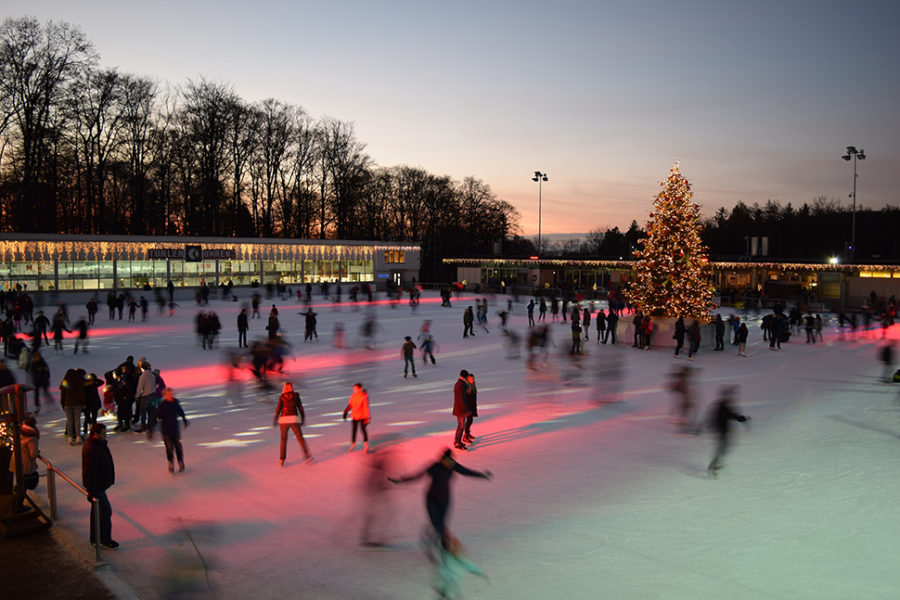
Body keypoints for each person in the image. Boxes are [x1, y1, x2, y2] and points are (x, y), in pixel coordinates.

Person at [388, 447, 491, 548]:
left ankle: (445, 542)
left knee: (441, 522)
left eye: (450, 460)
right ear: (441, 459)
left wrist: (482, 475)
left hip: (444, 498)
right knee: (435, 523)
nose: (448, 463)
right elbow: (417, 475)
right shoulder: (434, 467)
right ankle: (445, 540)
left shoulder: (452, 465)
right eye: (446, 460)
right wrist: (401, 480)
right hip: (431, 499)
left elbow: (466, 472)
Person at [82, 422, 118, 549]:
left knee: (98, 513)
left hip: (99, 486)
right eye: (103, 434)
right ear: (96, 434)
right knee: (105, 512)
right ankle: (104, 539)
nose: (105, 436)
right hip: (96, 488)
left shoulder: (98, 445)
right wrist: (91, 490)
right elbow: (89, 471)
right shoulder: (92, 449)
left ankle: (95, 538)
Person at [706, 386, 750, 477]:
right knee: (723, 447)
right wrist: (743, 419)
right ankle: (713, 465)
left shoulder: (720, 405)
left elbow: (730, 415)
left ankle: (716, 463)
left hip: (721, 430)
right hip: (722, 430)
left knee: (724, 447)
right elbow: (732, 415)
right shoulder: (724, 406)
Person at [147, 388, 188, 473]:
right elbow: (156, 417)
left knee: (178, 447)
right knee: (169, 448)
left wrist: (184, 419)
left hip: (174, 429)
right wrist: (151, 429)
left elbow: (180, 411)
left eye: (171, 394)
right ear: (165, 395)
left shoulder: (175, 403)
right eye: (168, 394)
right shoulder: (162, 405)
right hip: (166, 431)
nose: (170, 396)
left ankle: (180, 461)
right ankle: (171, 462)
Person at [273, 382, 312, 465]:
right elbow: (300, 408)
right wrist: (303, 418)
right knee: (300, 438)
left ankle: (281, 459)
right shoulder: (296, 396)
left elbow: (278, 410)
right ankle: (307, 456)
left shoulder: (282, 397)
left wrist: (275, 419)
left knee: (283, 439)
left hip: (283, 420)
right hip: (294, 419)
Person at [9, 416, 39, 513]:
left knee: (20, 482)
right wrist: (37, 452)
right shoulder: (31, 437)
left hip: (16, 461)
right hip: (25, 464)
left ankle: (15, 502)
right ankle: (18, 505)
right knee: (24, 484)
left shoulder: (19, 431)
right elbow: (33, 454)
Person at [60, 368, 85, 445]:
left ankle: (70, 438)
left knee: (69, 421)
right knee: (77, 421)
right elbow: (81, 394)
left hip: (67, 404)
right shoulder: (77, 382)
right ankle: (78, 437)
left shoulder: (65, 382)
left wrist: (63, 404)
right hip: (77, 404)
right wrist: (84, 403)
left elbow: (63, 395)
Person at [343, 382, 371, 452]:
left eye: (355, 389)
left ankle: (366, 444)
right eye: (354, 389)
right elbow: (350, 404)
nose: (354, 390)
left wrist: (367, 418)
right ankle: (353, 443)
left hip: (362, 416)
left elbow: (366, 408)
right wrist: (345, 412)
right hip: (355, 415)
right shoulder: (353, 396)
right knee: (354, 430)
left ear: (360, 389)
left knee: (363, 429)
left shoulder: (364, 396)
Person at [452, 370, 471, 450]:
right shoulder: (460, 385)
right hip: (461, 410)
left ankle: (457, 441)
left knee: (460, 426)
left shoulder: (459, 383)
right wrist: (466, 410)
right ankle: (457, 442)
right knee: (461, 426)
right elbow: (461, 399)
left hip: (459, 409)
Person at [463, 373, 478, 444]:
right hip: (468, 407)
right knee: (468, 421)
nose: (473, 380)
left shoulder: (473, 386)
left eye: (473, 378)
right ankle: (465, 435)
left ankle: (467, 433)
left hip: (472, 406)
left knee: (470, 421)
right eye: (471, 379)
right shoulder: (467, 387)